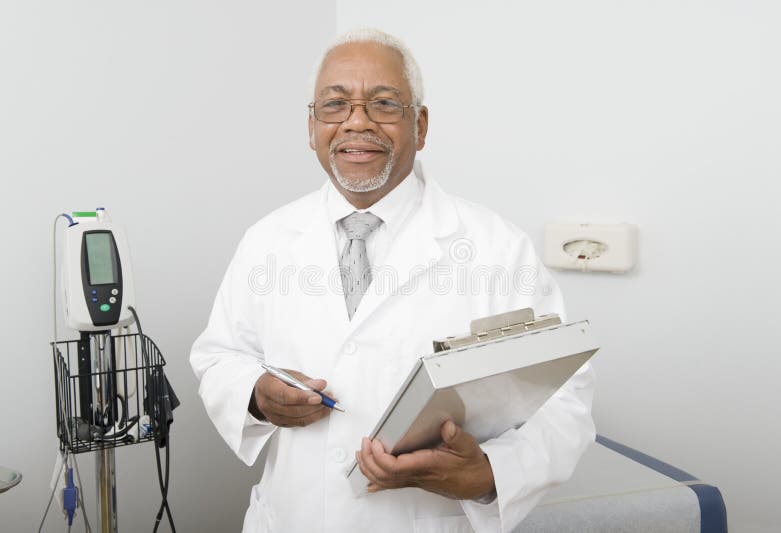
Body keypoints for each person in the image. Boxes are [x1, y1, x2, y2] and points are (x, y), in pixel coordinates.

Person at [190, 28, 595, 533]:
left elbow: (564, 398)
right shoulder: (267, 239)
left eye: (383, 103)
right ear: (312, 127)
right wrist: (255, 394)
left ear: (419, 126)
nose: (356, 122)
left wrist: (490, 472)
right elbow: (219, 356)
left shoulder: (496, 247)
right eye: (335, 105)